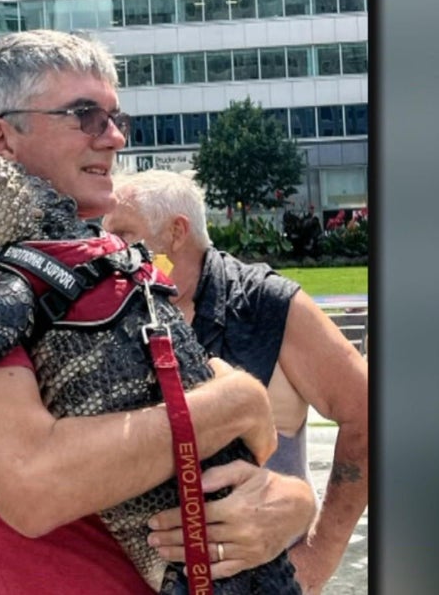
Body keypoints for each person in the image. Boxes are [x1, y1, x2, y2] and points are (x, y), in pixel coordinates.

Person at [0, 30, 317, 594]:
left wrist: (292, 504)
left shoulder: (105, 260)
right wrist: (239, 399)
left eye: (116, 117)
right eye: (84, 116)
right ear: (1, 138)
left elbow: (246, 446)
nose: (114, 138)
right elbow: (33, 484)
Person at [103, 170, 370, 594]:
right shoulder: (119, 309)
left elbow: (368, 414)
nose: (106, 248)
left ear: (175, 233)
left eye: (122, 233)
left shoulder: (267, 304)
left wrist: (317, 557)